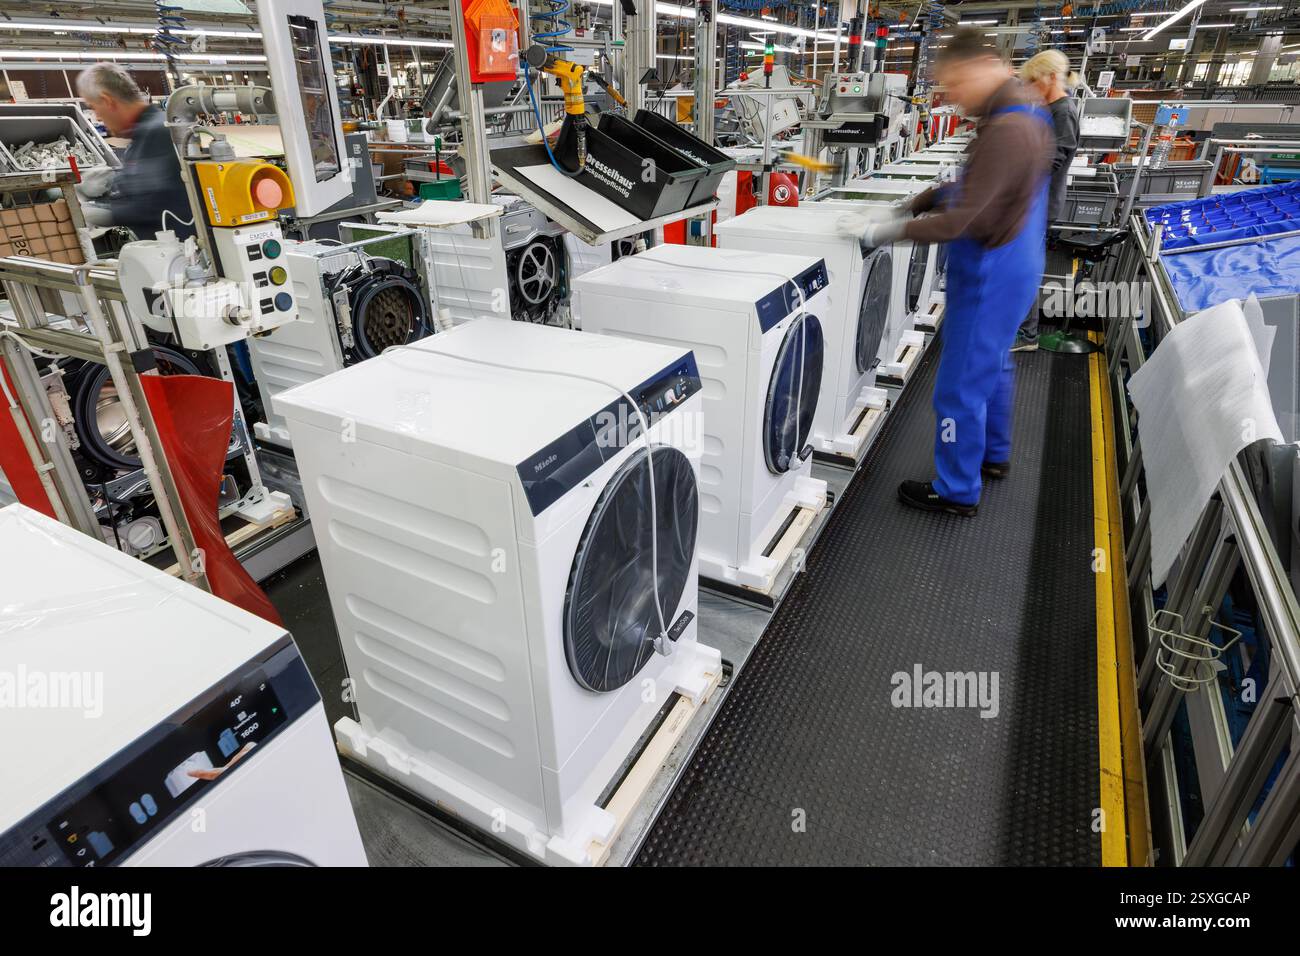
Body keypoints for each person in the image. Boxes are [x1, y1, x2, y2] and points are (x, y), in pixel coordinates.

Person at [842, 29, 1053, 517]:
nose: (953, 100)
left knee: (958, 386)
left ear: (978, 67)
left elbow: (968, 219)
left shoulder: (1007, 128)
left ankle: (956, 488)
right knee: (994, 365)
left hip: (989, 273)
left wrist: (886, 230)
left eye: (955, 86)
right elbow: (983, 189)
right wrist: (921, 199)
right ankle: (993, 456)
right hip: (1016, 265)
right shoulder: (1022, 111)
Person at [74, 64, 195, 239]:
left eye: (93, 107)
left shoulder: (157, 132)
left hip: (182, 255)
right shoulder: (142, 136)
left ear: (108, 101)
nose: (98, 117)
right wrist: (114, 182)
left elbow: (154, 206)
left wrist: (102, 214)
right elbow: (146, 187)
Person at [1012, 49, 1080, 352]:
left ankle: (1027, 334)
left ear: (1053, 78)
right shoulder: (1050, 109)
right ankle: (1019, 328)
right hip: (1032, 201)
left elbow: (1053, 160)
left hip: (1039, 204)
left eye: (1035, 82)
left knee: (1023, 269)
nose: (1032, 89)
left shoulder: (1063, 112)